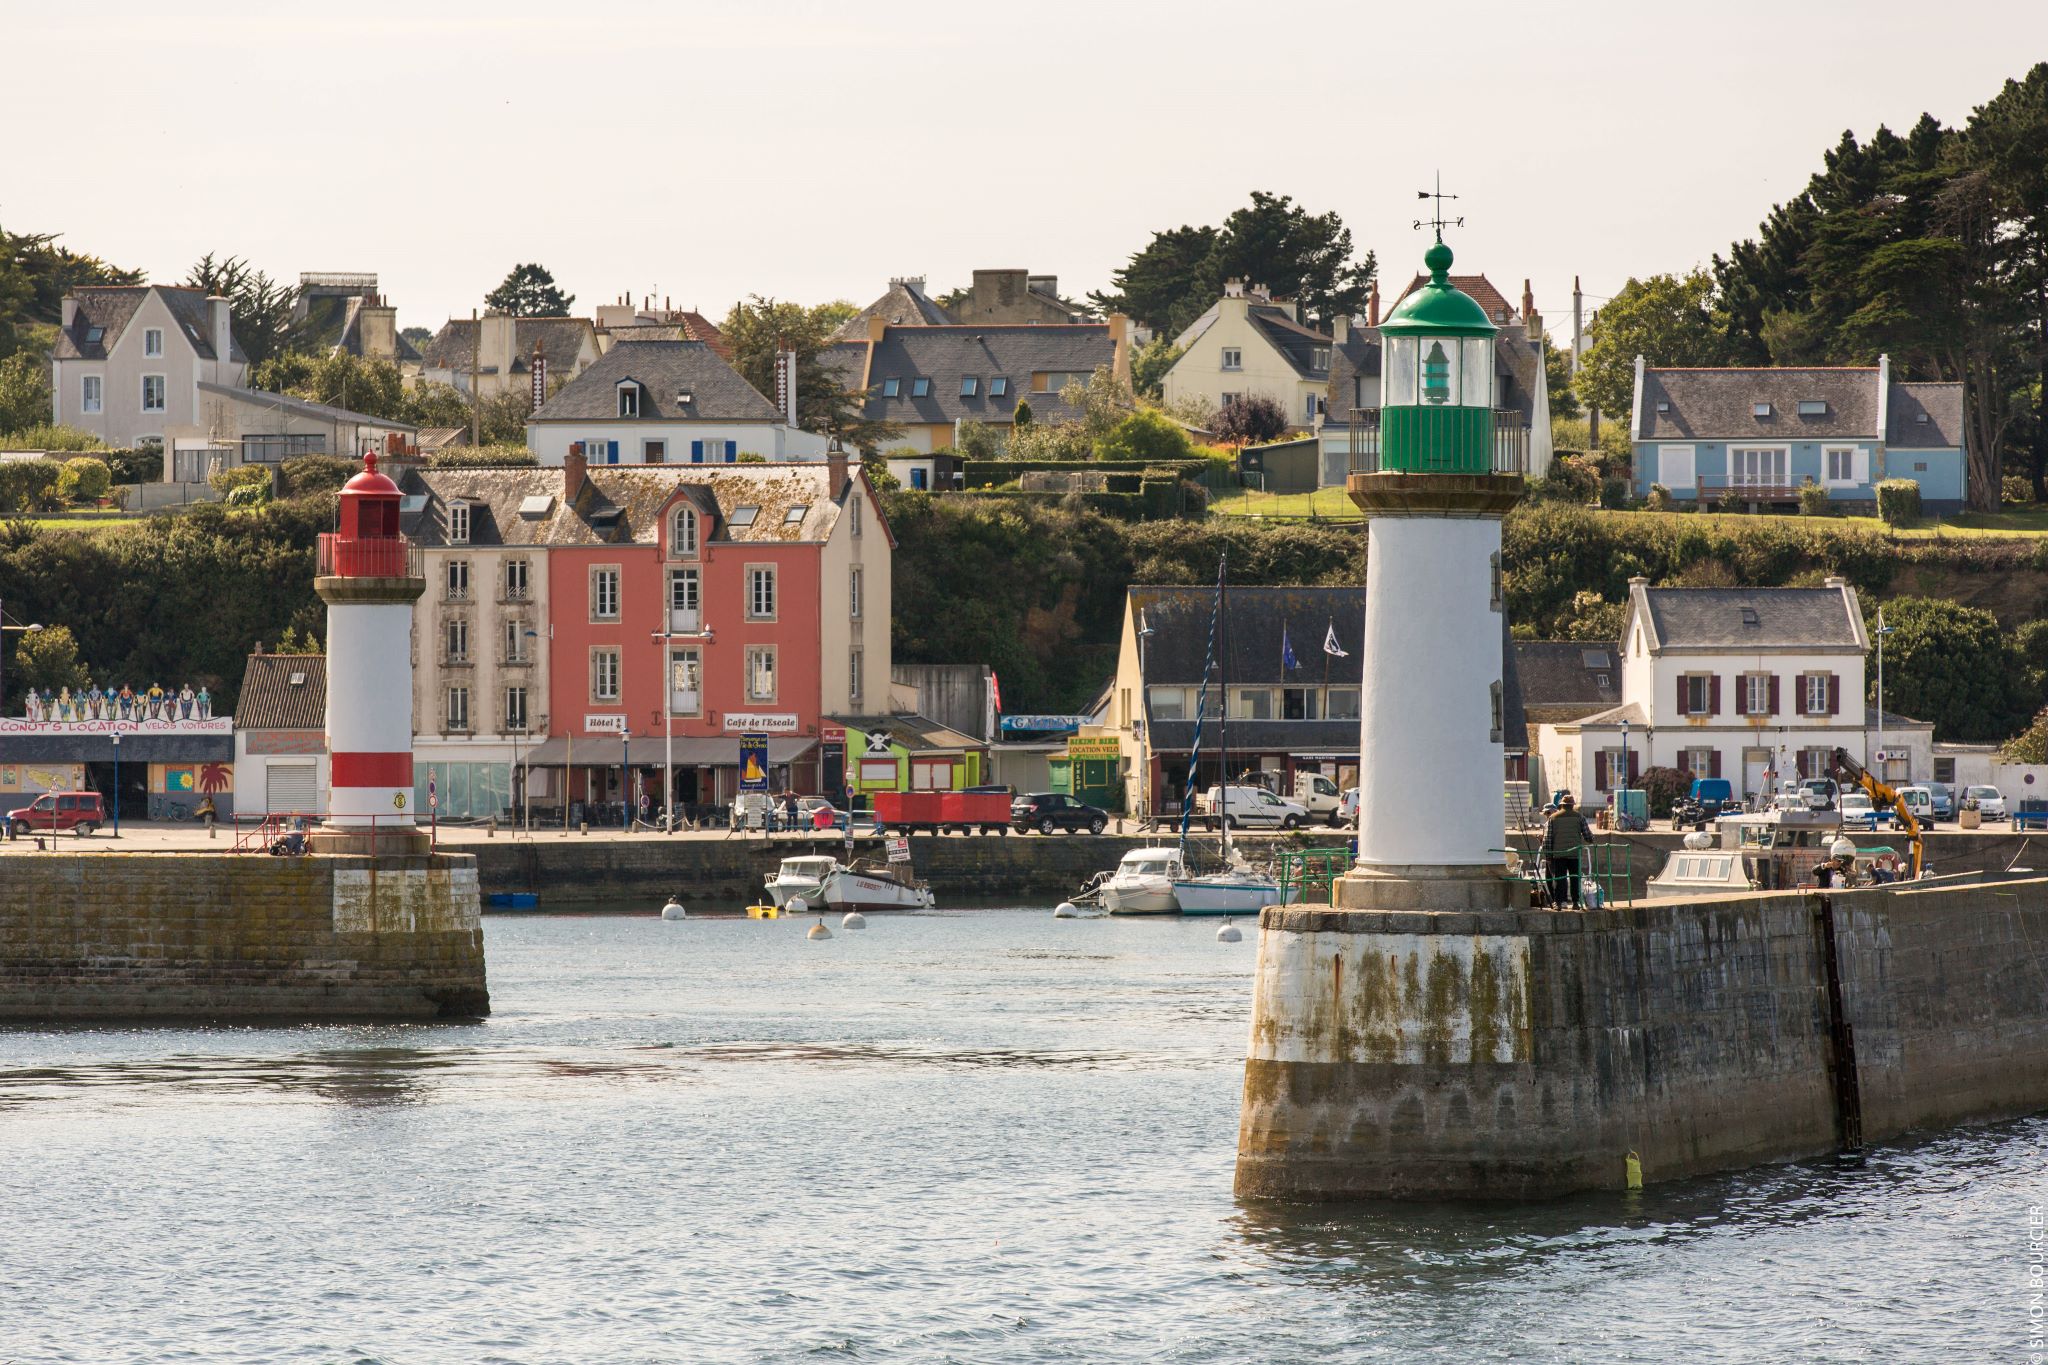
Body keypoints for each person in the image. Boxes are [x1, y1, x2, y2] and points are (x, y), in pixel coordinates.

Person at [1541, 794, 1595, 909]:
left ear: (1561, 805)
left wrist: (1548, 855)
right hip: (1574, 854)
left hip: (1558, 855)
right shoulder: (1580, 817)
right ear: (1572, 805)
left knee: (1560, 879)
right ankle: (1576, 903)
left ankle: (1559, 903)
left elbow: (1547, 839)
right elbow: (1588, 836)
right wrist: (1591, 839)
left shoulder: (1553, 818)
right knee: (1575, 878)